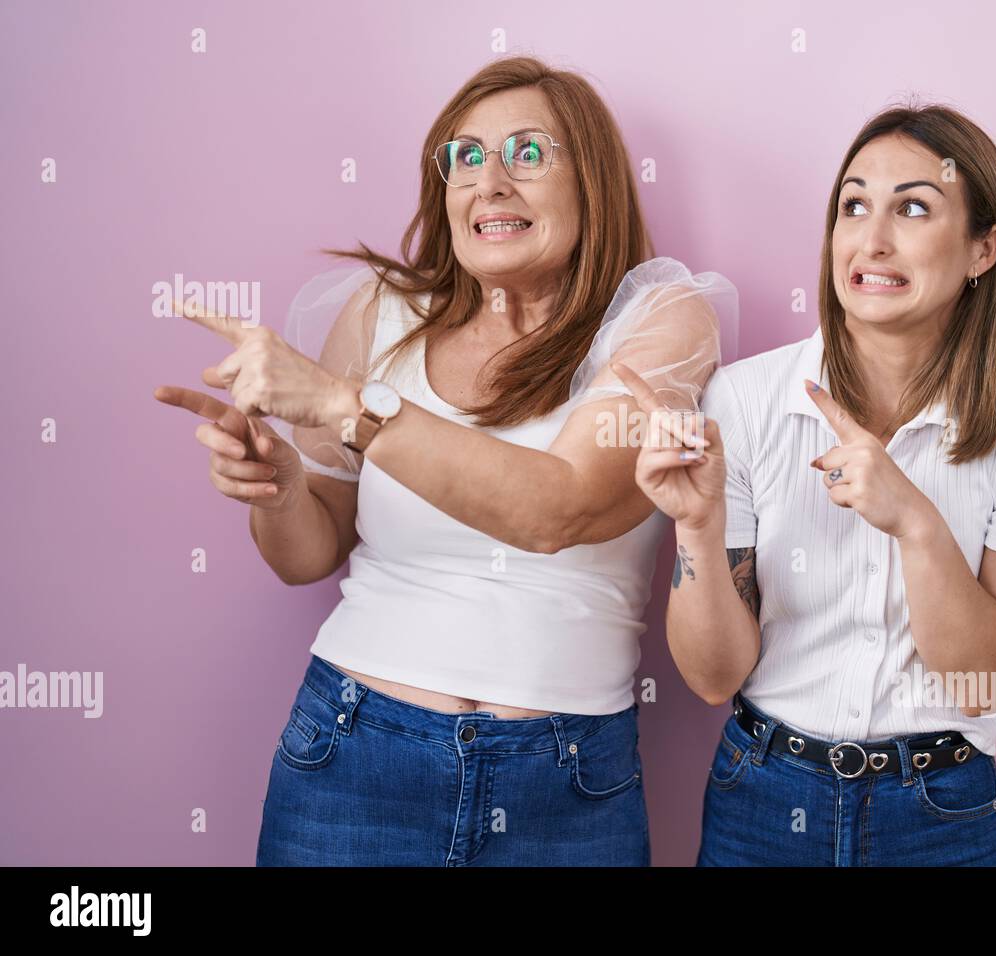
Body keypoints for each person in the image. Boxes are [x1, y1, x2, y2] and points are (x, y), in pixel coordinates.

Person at [153, 55, 736, 866]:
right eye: (465, 157)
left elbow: (556, 507)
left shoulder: (660, 319)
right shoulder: (382, 315)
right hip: (351, 753)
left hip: (567, 783)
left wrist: (345, 407)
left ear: (594, 182)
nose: (490, 182)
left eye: (528, 153)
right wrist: (281, 490)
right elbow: (307, 555)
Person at [614, 102, 996, 866]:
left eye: (912, 208)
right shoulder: (742, 401)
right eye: (854, 205)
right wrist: (697, 527)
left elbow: (985, 685)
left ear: (983, 249)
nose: (872, 240)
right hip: (762, 799)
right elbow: (712, 678)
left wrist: (916, 524)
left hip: (941, 816)